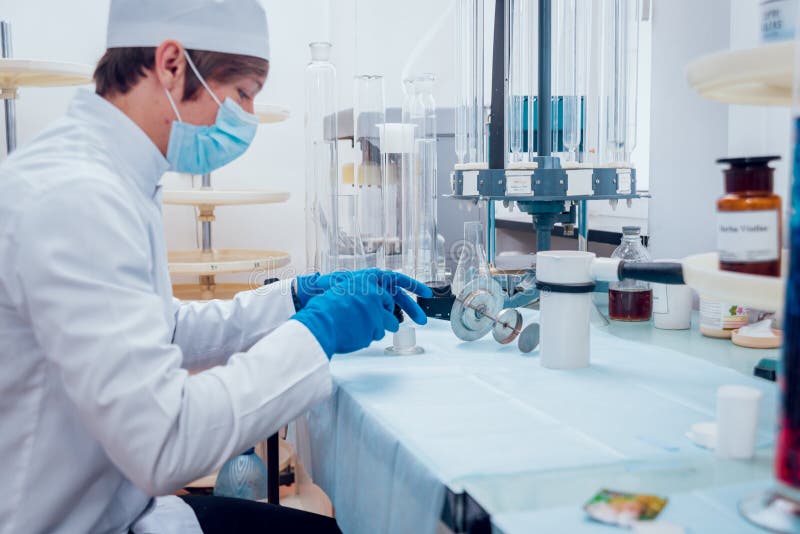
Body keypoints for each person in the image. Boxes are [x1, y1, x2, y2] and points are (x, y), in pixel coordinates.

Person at [0, 1, 432, 533]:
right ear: (171, 64)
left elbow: (162, 328)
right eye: (244, 93)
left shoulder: (112, 176)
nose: (247, 117)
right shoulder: (75, 196)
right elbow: (164, 441)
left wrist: (295, 297)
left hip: (118, 507)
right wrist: (316, 332)